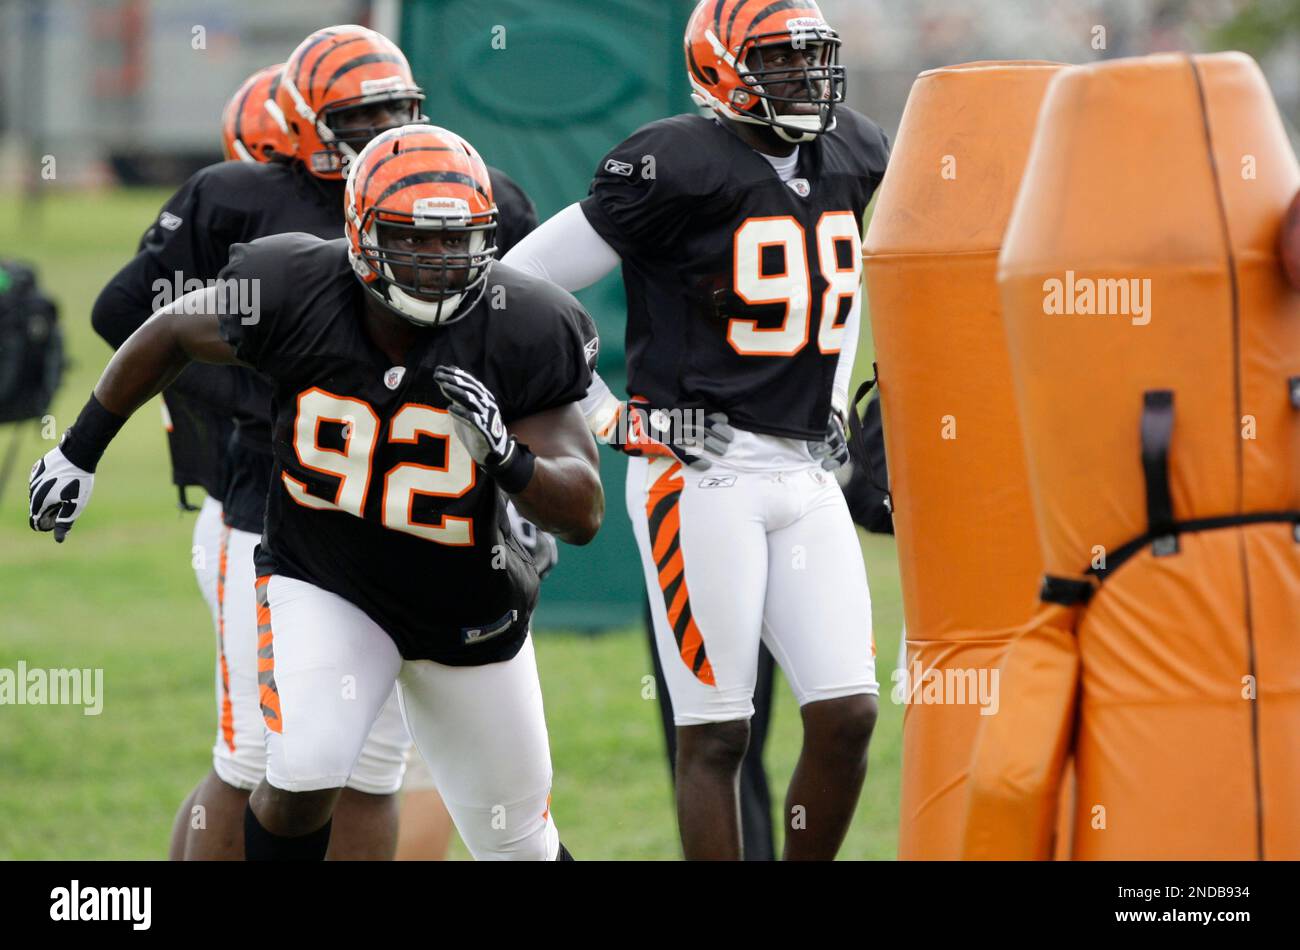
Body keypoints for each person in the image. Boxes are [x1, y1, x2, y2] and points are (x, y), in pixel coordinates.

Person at [31, 124, 603, 861]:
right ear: (362, 235)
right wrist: (80, 451)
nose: (438, 261)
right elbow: (170, 327)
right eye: (415, 239)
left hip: (468, 607)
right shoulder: (290, 285)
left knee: (518, 842)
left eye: (457, 240)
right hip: (326, 578)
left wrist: (508, 459)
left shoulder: (524, 323)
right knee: (303, 768)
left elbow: (584, 509)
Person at [502, 0, 889, 859]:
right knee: (717, 733)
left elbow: (848, 279)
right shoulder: (671, 163)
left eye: (811, 57)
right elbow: (516, 287)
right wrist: (607, 413)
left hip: (804, 472)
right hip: (700, 475)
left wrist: (833, 398)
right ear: (721, 70)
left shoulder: (854, 148)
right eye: (782, 60)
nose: (806, 77)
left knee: (849, 712)